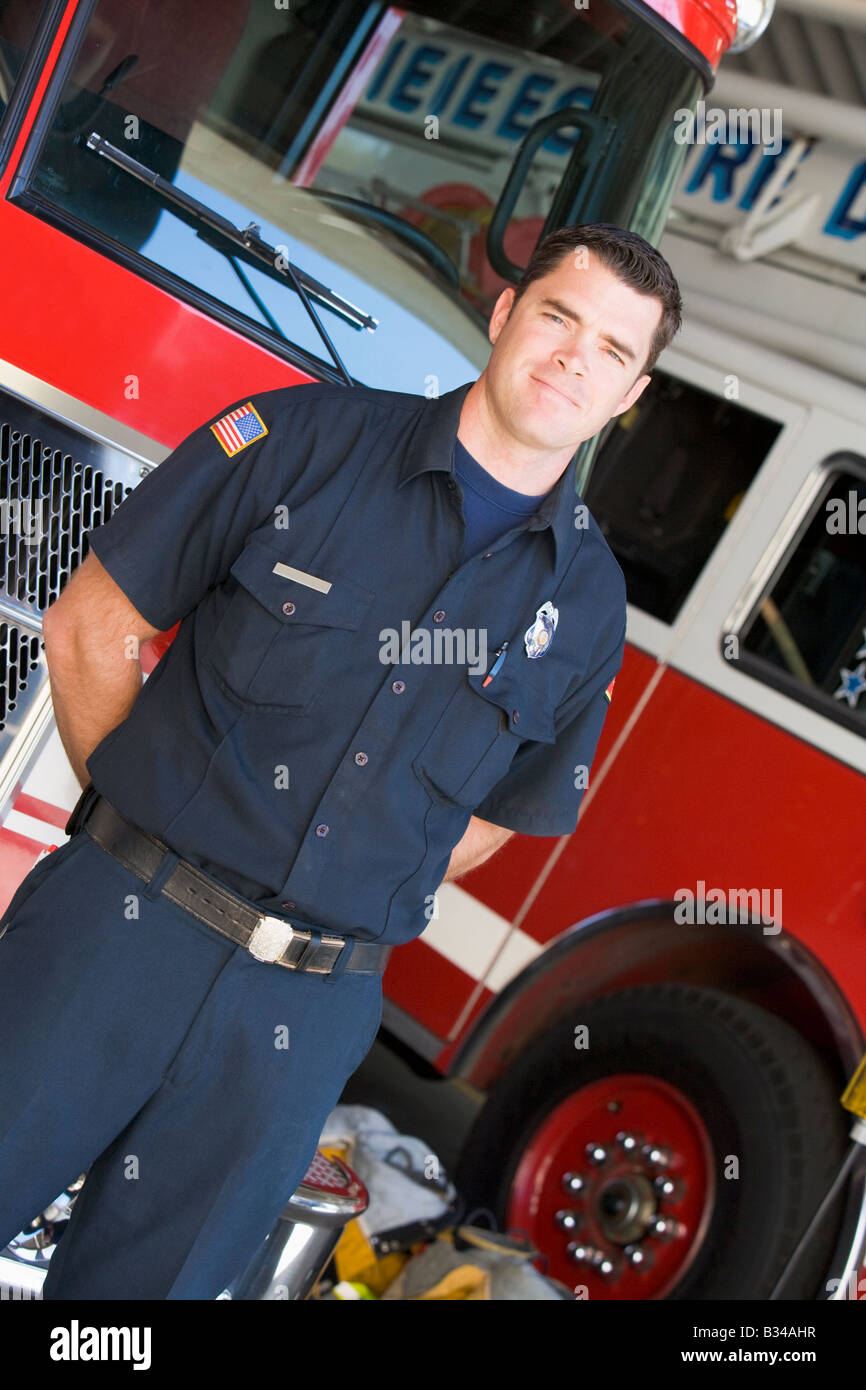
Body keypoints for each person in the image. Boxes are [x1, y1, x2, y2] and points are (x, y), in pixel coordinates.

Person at [0, 221, 681, 1300]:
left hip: (299, 1021)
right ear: (503, 317)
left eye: (611, 350)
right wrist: (143, 822)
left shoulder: (587, 601)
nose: (572, 358)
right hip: (117, 928)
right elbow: (92, 626)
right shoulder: (298, 439)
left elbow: (493, 817)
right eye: (558, 317)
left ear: (629, 392)